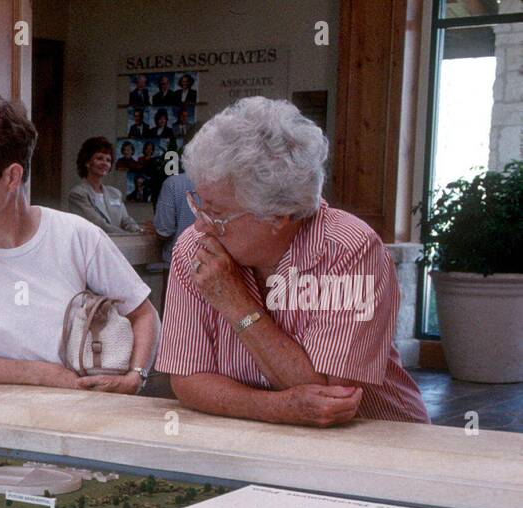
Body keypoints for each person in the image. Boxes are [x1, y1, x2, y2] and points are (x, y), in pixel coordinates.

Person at [155, 97, 430, 426]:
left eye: (216, 213)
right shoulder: (194, 247)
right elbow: (187, 381)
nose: (199, 225)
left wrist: (235, 302)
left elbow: (327, 397)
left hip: (377, 440)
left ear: (278, 215)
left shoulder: (349, 249)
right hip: (258, 439)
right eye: (198, 204)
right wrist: (275, 408)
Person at [0, 95, 159, 394]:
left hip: (76, 415)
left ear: (12, 176)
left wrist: (135, 376)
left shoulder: (77, 236)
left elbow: (143, 314)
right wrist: (44, 374)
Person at [67, 137, 141, 234]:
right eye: (99, 158)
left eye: (108, 160)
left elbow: (126, 220)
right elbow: (100, 226)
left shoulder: (115, 193)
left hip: (120, 244)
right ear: (87, 162)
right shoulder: (77, 194)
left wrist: (138, 231)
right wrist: (128, 237)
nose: (105, 163)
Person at [152, 170, 197, 264]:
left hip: (180, 263)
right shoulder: (230, 183)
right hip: (221, 262)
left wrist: (154, 228)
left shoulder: (173, 183)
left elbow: (164, 231)